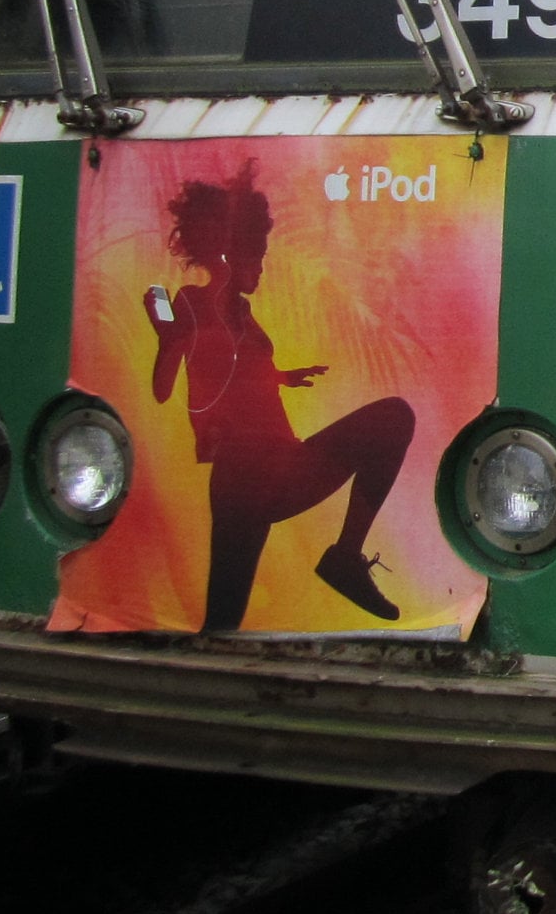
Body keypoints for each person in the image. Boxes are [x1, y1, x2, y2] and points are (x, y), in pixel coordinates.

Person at [150, 166, 412, 631]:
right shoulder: (192, 303)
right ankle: (344, 557)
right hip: (253, 471)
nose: (264, 266)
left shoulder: (243, 314)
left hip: (260, 471)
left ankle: (343, 559)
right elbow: (165, 388)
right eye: (260, 256)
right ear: (234, 253)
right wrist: (168, 343)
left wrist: (282, 377)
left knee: (221, 626)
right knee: (393, 420)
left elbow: (235, 373)